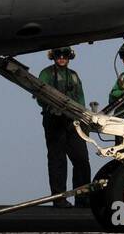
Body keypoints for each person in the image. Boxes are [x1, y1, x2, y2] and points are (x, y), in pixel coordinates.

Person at [37, 47, 90, 208]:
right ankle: (59, 198)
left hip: (73, 122)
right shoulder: (46, 74)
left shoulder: (73, 76)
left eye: (64, 55)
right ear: (53, 57)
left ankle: (83, 198)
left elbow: (80, 100)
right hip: (54, 121)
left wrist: (83, 120)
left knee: (81, 159)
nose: (61, 58)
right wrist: (52, 107)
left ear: (69, 57)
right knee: (57, 160)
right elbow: (40, 96)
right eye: (58, 55)